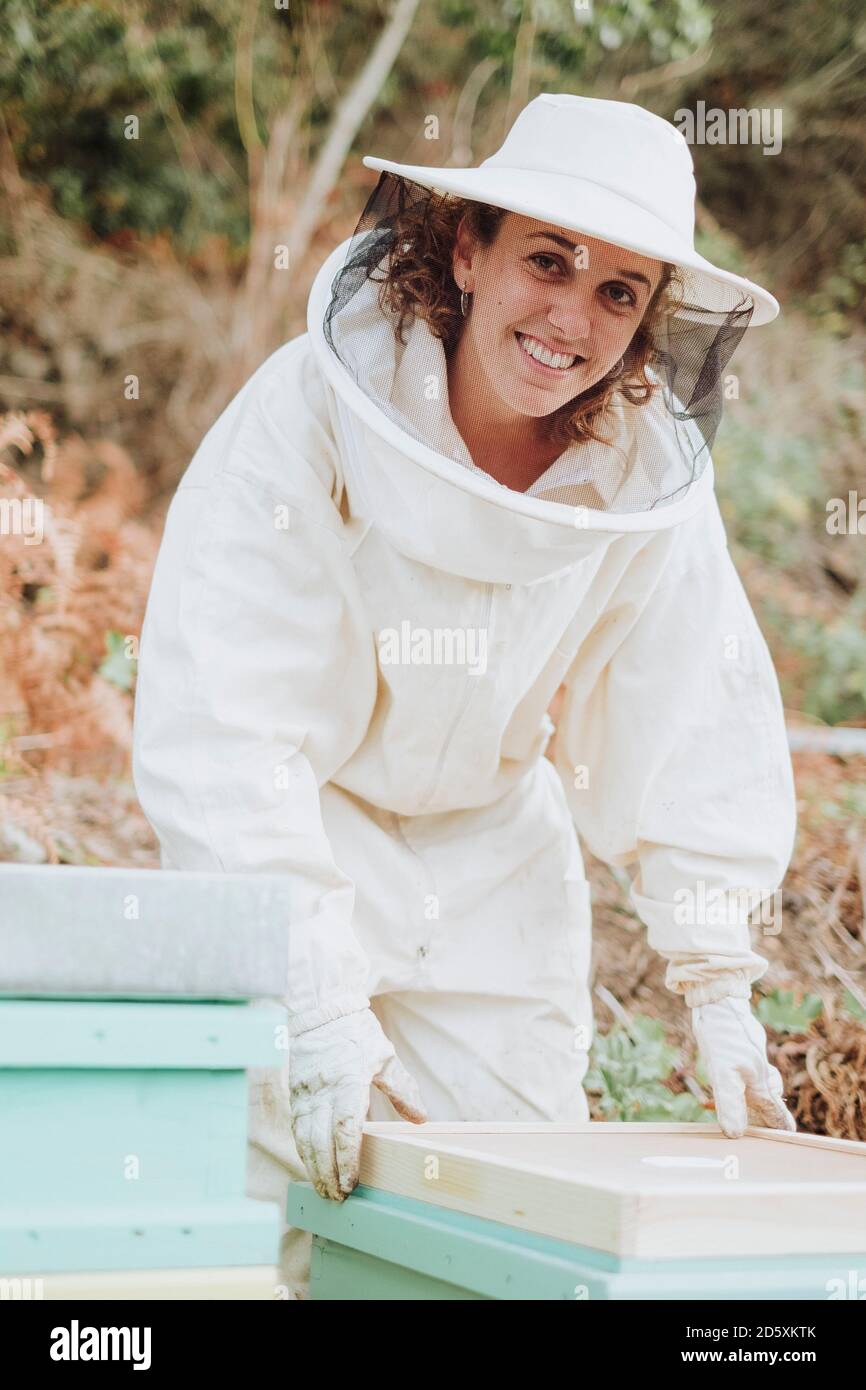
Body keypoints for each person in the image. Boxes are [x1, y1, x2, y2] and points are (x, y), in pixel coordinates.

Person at [132, 93, 798, 1300]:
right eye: (548, 260)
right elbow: (228, 724)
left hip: (494, 865)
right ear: (464, 248)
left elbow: (684, 712)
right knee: (251, 1229)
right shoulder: (304, 419)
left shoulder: (639, 483)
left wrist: (715, 979)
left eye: (618, 290)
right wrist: (314, 1003)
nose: (572, 316)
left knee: (500, 1242)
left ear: (649, 322)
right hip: (297, 837)